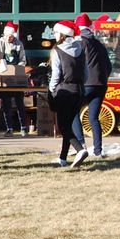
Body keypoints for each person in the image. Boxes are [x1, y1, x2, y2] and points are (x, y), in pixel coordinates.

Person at [48, 21, 89, 169]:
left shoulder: (57, 50)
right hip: (79, 91)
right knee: (69, 124)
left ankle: (80, 149)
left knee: (63, 126)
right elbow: (86, 74)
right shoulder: (80, 49)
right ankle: (63, 158)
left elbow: (56, 74)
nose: (54, 35)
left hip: (64, 91)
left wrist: (52, 90)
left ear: (61, 34)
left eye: (55, 32)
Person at [72, 13, 113, 157]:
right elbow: (109, 66)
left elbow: (76, 65)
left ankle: (80, 145)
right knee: (94, 118)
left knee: (73, 112)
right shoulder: (99, 44)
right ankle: (98, 150)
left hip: (86, 84)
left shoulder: (79, 43)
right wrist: (102, 79)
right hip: (101, 85)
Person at [0, 22, 28, 136]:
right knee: (6, 105)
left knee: (20, 103)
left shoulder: (19, 44)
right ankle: (9, 128)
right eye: (8, 36)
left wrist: (18, 67)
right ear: (4, 34)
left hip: (16, 76)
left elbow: (23, 60)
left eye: (11, 36)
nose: (9, 38)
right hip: (4, 77)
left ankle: (24, 128)